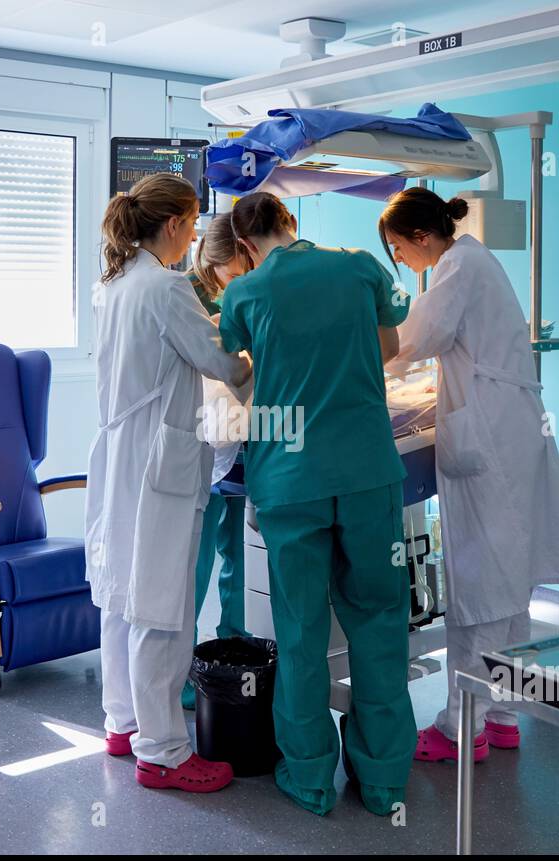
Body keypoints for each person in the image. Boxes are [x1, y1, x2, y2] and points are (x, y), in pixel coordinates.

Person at [218, 191, 416, 816]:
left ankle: (307, 777)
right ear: (292, 224)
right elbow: (388, 350)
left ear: (245, 246)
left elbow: (235, 369)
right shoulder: (360, 265)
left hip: (289, 479)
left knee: (301, 629)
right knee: (380, 620)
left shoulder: (243, 294)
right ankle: (383, 780)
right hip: (365, 470)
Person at [377, 186, 559, 764]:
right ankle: (500, 716)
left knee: (480, 582)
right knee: (508, 581)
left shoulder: (458, 266)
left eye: (399, 249)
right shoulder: (471, 259)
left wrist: (354, 347)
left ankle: (458, 728)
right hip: (506, 426)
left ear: (422, 238)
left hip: (490, 433)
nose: (401, 261)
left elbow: (418, 337)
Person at [85, 174, 252, 793]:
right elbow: (222, 364)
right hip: (159, 461)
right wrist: (260, 352)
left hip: (122, 456)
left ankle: (124, 723)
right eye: (193, 221)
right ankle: (165, 751)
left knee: (121, 595)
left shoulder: (116, 284)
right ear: (179, 225)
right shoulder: (168, 287)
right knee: (162, 605)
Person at [181, 214, 254, 710]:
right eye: (237, 263)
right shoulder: (186, 293)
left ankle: (233, 636)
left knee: (234, 546)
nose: (243, 271)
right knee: (199, 557)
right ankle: (184, 665)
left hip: (236, 429)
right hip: (203, 435)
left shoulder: (242, 285)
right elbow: (215, 360)